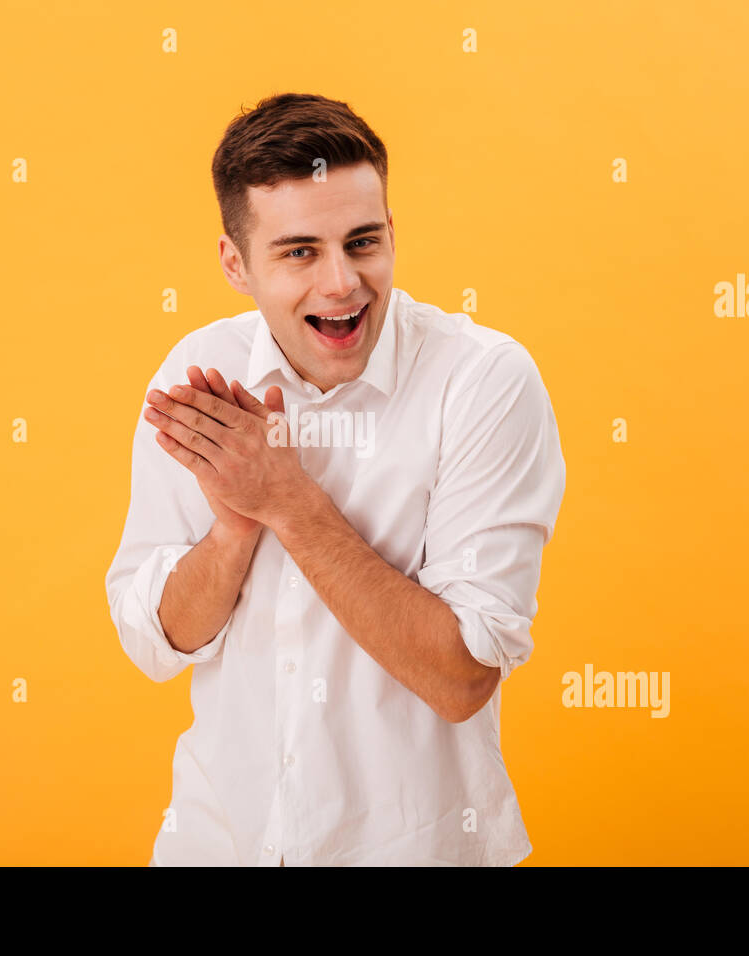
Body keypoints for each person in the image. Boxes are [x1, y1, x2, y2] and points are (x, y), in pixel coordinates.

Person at [106, 92, 566, 866]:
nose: (342, 283)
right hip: (218, 842)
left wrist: (287, 500)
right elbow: (157, 643)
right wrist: (234, 527)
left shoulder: (482, 381)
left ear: (392, 234)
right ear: (235, 264)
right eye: (298, 252)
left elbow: (461, 676)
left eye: (363, 242)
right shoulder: (200, 375)